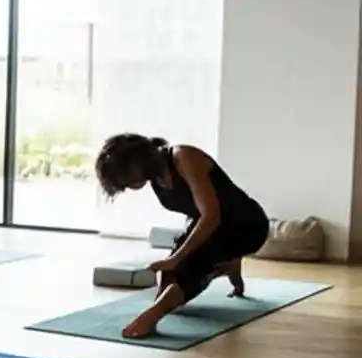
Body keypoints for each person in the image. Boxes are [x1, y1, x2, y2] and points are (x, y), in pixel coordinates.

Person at [94, 132, 269, 339]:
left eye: (125, 176)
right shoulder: (156, 180)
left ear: (137, 158)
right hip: (212, 228)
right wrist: (174, 260)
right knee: (170, 281)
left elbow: (211, 216)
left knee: (189, 267)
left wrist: (177, 258)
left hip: (246, 225)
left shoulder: (183, 157)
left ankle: (152, 319)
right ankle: (226, 264)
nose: (128, 185)